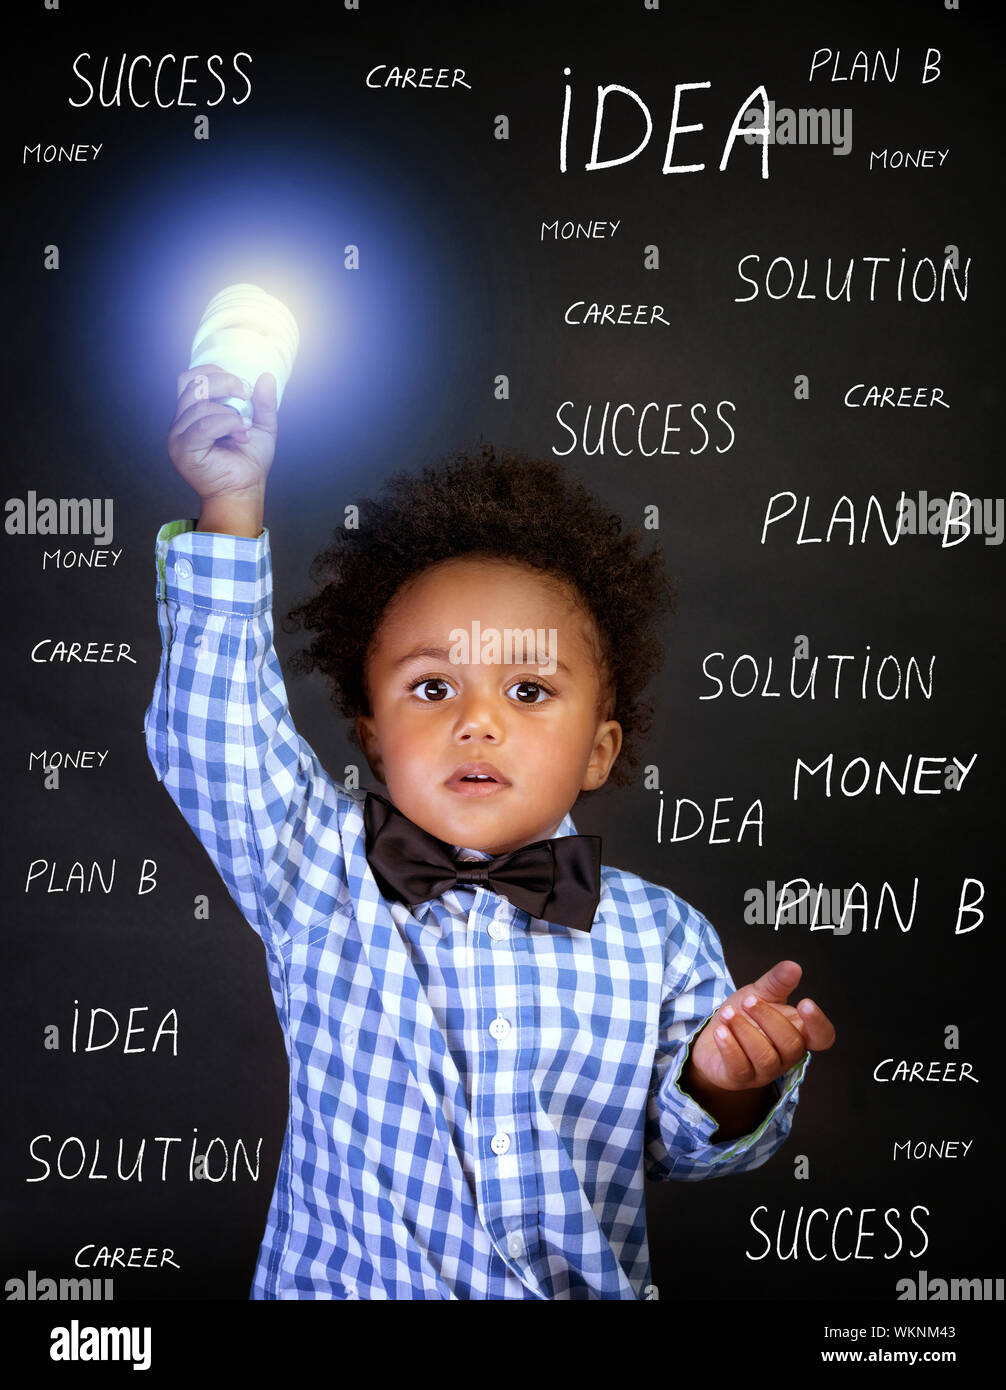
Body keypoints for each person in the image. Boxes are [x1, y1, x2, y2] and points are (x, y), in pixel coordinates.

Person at [144, 364, 836, 1300]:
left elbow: (690, 1154)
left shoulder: (663, 939)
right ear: (372, 734)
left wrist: (726, 1083)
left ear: (599, 750)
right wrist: (231, 501)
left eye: (529, 691)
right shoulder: (315, 873)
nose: (478, 722)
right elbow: (213, 738)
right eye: (432, 689)